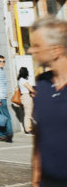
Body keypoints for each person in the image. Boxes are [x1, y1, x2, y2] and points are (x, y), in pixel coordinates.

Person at [32, 16, 67, 187]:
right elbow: (40, 133)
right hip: (48, 181)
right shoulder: (42, 83)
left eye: (37, 46)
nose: (31, 50)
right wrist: (36, 175)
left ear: (56, 50)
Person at [16, 66, 34, 135]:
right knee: (28, 114)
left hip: (24, 97)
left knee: (28, 113)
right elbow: (30, 89)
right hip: (26, 97)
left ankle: (29, 128)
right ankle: (28, 129)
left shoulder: (20, 80)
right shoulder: (23, 80)